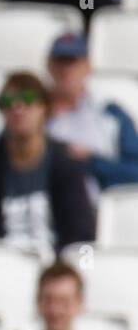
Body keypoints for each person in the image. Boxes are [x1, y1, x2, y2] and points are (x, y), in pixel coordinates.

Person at [0, 72, 95, 259]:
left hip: (53, 272)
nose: (18, 108)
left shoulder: (66, 165)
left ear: (44, 108)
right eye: (8, 102)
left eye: (28, 99)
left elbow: (80, 233)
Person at [44, 32, 138, 203]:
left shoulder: (111, 115)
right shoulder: (30, 114)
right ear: (49, 66)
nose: (66, 70)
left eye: (73, 62)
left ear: (87, 66)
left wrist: (90, 160)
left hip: (95, 210)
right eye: (60, 62)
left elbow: (134, 172)